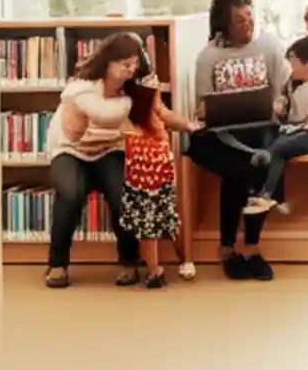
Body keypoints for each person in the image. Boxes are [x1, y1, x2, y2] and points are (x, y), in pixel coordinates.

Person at [188, 0, 288, 281]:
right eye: (240, 21)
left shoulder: (269, 47)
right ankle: (233, 249)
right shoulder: (208, 57)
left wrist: (279, 104)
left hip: (263, 127)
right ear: (225, 25)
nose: (249, 25)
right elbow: (203, 107)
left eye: (250, 17)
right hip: (224, 131)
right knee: (241, 166)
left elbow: (284, 90)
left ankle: (247, 247)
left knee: (264, 157)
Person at [44, 32, 145, 289]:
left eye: (134, 64)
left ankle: (130, 262)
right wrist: (126, 103)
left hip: (108, 149)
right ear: (109, 63)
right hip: (71, 150)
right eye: (125, 65)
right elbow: (104, 114)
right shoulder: (82, 87)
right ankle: (57, 265)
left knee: (121, 191)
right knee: (70, 192)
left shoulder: (132, 89)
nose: (131, 70)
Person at [119, 43, 202, 289]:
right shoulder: (149, 86)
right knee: (167, 212)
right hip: (158, 156)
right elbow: (163, 114)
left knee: (146, 219)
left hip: (136, 159)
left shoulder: (117, 90)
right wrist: (188, 125)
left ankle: (155, 268)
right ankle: (183, 260)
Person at [244, 35, 308, 214]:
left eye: (294, 62)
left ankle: (266, 195)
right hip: (302, 131)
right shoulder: (298, 82)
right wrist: (282, 100)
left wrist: (281, 109)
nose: (290, 66)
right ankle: (275, 197)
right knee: (275, 147)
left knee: (278, 148)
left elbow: (295, 117)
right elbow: (284, 96)